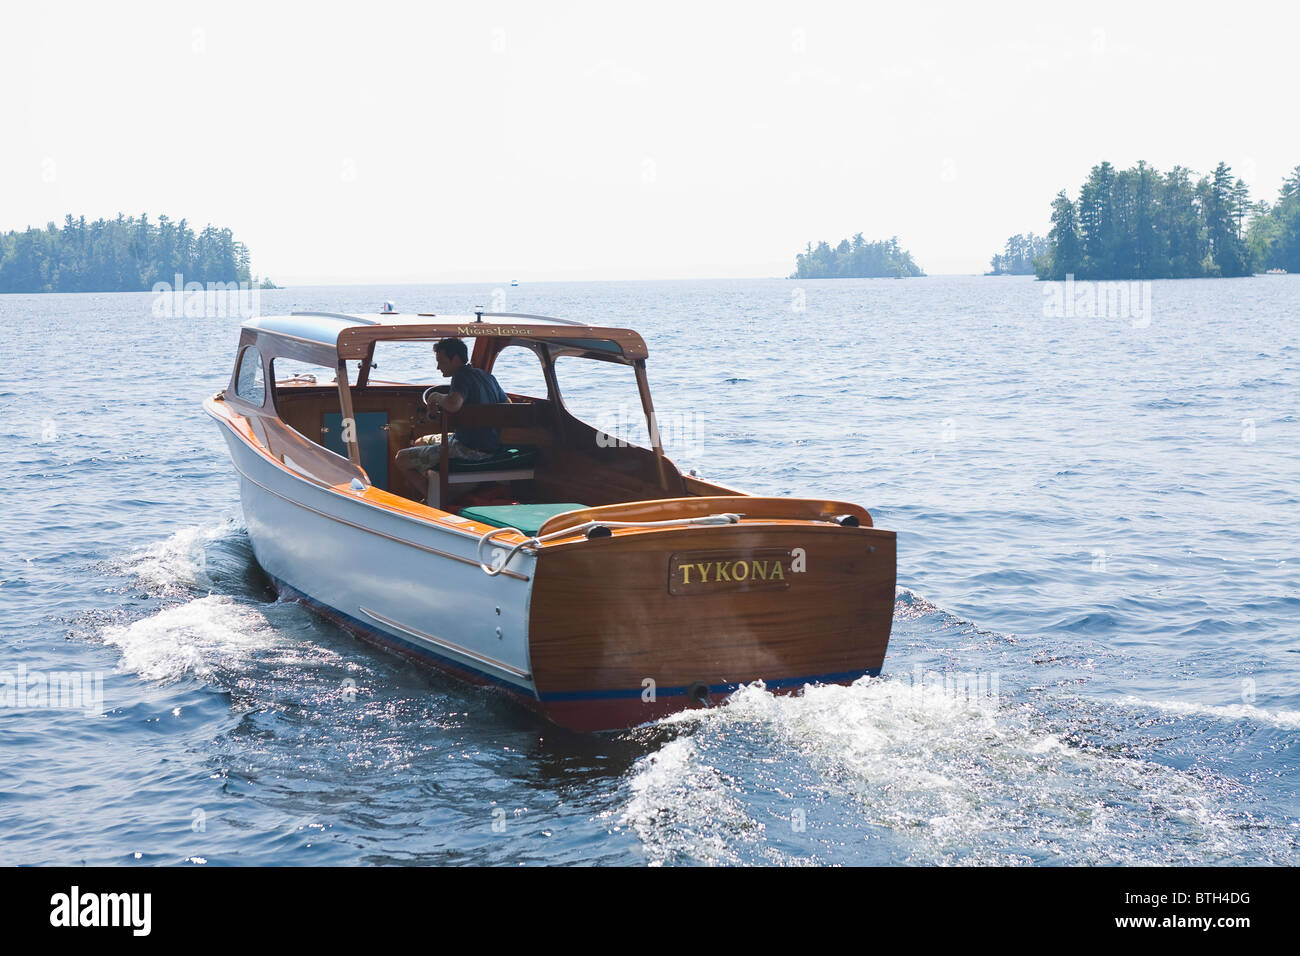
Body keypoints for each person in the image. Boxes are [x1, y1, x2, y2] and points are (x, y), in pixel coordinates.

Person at [394, 338, 509, 496]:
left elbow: (453, 404)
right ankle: (440, 489)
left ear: (455, 359)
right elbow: (507, 404)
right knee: (421, 441)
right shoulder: (487, 376)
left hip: (469, 450)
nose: (438, 367)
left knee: (401, 458)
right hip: (489, 446)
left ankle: (432, 498)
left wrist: (435, 397)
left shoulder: (461, 376)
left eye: (441, 361)